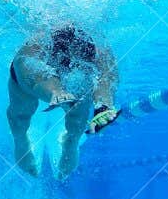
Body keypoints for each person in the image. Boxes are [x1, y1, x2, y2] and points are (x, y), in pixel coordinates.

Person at [7, 24, 120, 179]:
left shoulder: (99, 48)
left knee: (78, 120)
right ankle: (21, 141)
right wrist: (55, 92)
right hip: (25, 77)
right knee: (20, 115)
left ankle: (70, 144)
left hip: (77, 77)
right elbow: (29, 70)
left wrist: (103, 105)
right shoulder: (38, 41)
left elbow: (107, 76)